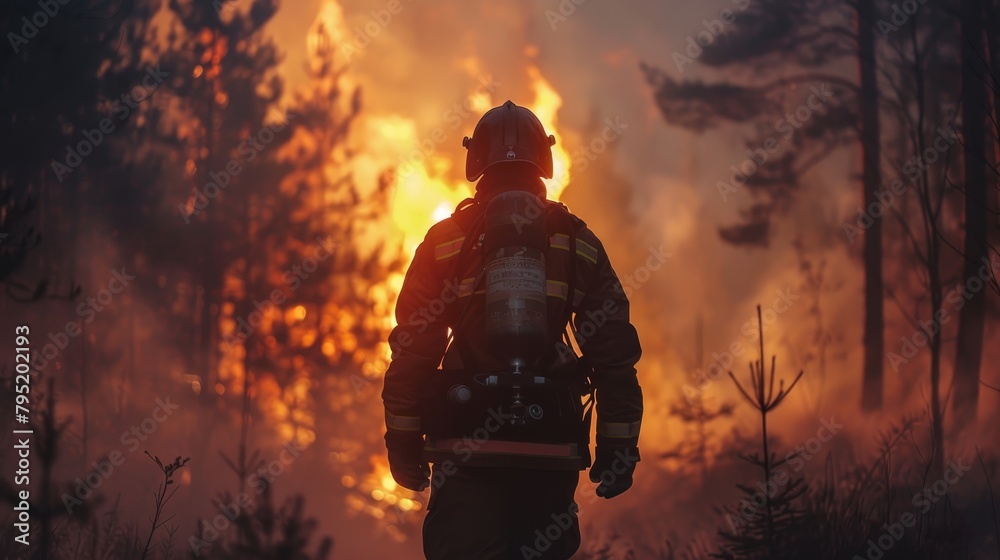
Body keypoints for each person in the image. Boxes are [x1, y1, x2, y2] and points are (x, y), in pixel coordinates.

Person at [382, 100, 643, 560]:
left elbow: (414, 350)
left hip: (465, 442)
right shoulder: (577, 240)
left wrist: (403, 441)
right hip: (549, 443)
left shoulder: (445, 241)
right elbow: (613, 354)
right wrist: (618, 447)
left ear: (475, 161)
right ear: (543, 160)